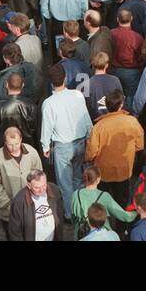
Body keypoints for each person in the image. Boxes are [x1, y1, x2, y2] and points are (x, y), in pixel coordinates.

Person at [40, 62, 92, 208]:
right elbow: (86, 118)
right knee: (78, 178)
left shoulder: (48, 103)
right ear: (65, 78)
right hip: (81, 142)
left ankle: (69, 212)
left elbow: (47, 127)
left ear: (50, 82)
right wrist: (90, 135)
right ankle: (81, 207)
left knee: (65, 183)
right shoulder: (77, 95)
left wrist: (45, 146)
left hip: (63, 147)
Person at [6, 168, 68, 241]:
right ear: (29, 186)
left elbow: (59, 215)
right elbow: (15, 231)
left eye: (44, 185)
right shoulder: (19, 201)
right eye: (37, 187)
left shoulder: (54, 190)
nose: (42, 190)